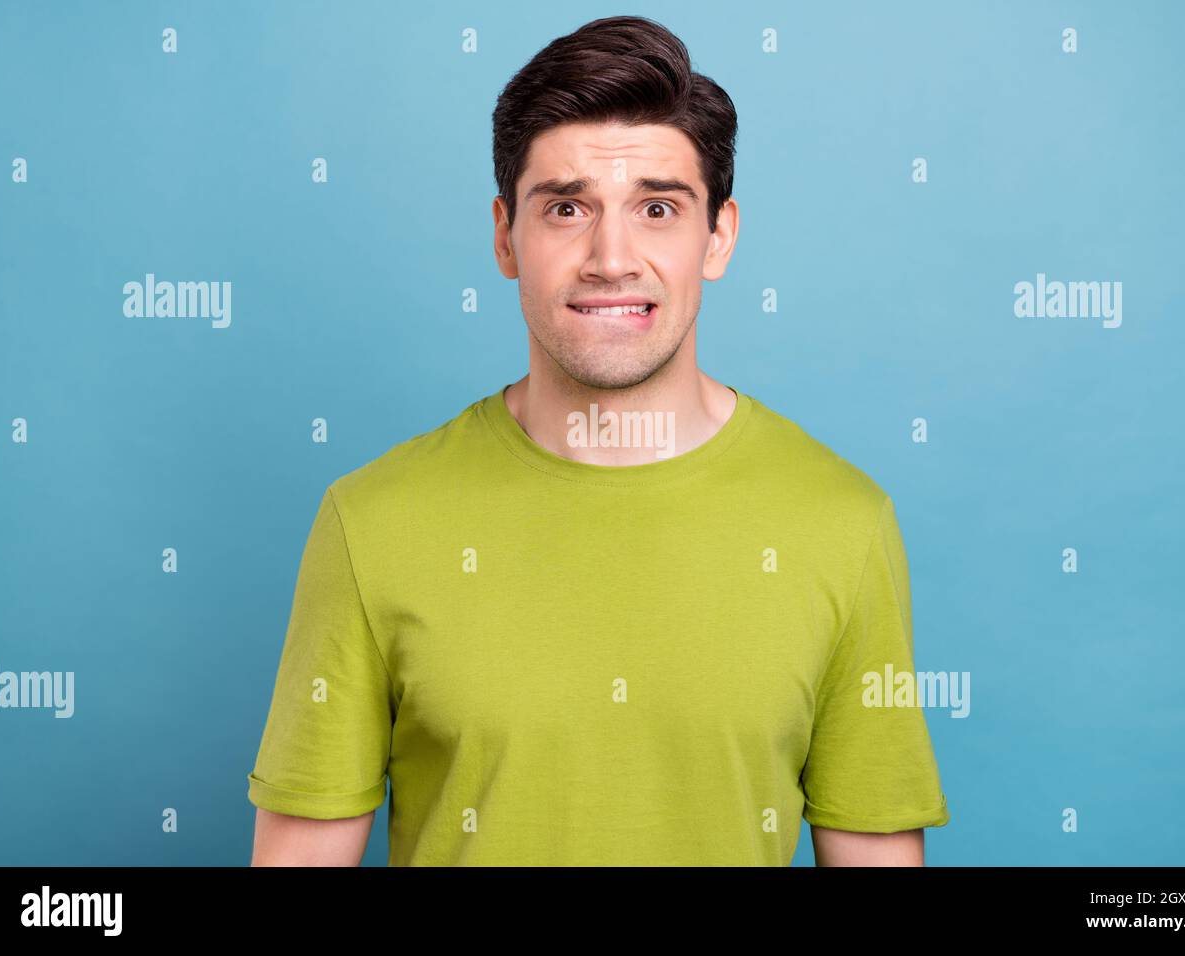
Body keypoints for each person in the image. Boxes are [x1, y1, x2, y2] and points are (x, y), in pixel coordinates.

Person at [247, 14, 949, 867]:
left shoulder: (844, 524)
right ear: (505, 236)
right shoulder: (369, 522)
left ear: (718, 235)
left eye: (657, 207)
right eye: (568, 207)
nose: (610, 257)